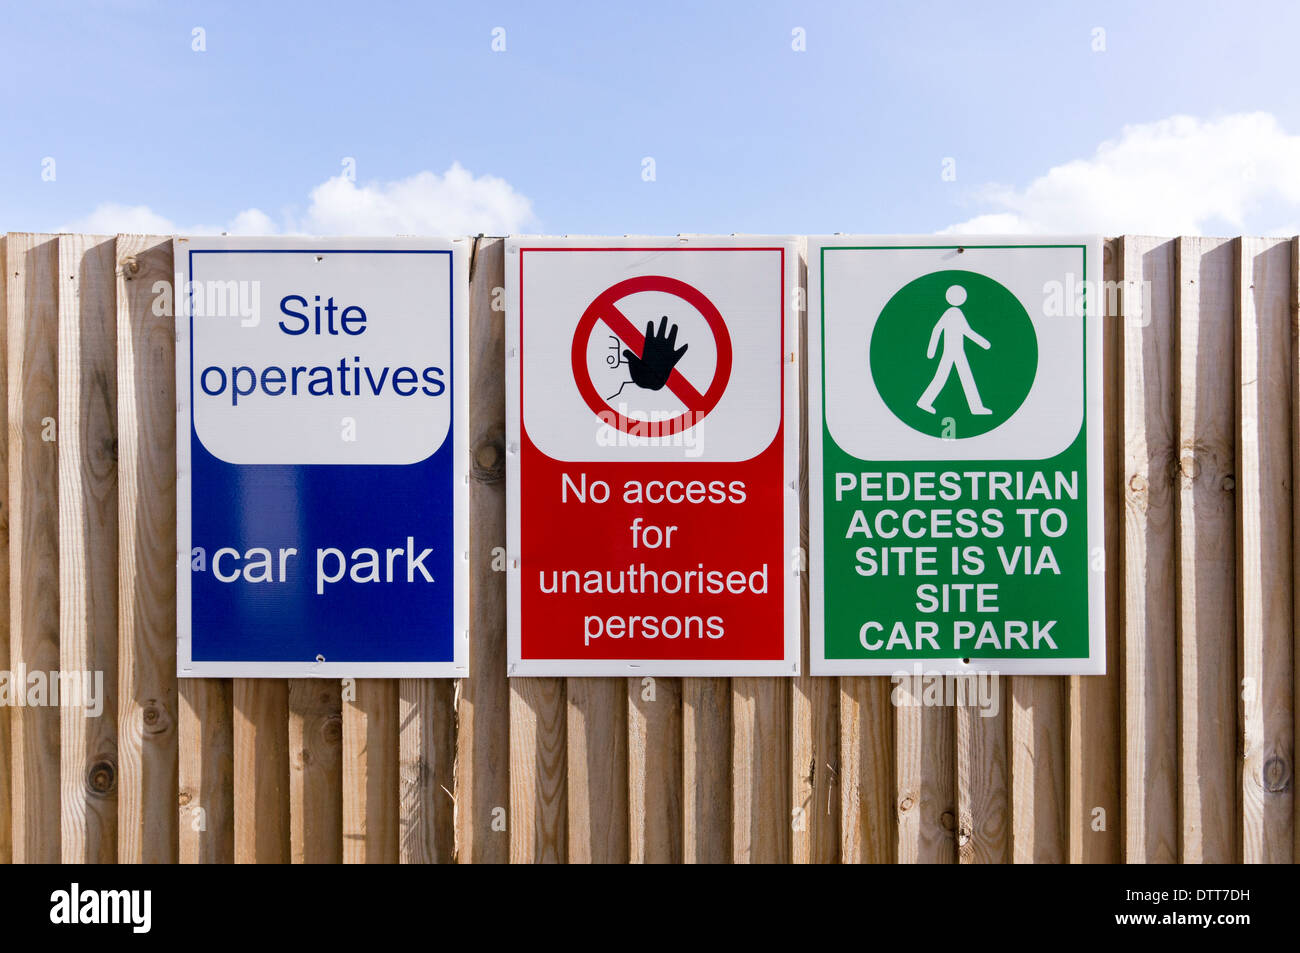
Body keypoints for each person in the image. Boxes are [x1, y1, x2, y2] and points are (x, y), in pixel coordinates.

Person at [917, 284, 992, 415]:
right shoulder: (952, 313)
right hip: (951, 352)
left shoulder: (955, 313)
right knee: (949, 377)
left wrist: (983, 342)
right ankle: (924, 402)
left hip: (957, 351)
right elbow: (938, 329)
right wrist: (931, 350)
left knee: (963, 377)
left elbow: (965, 331)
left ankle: (976, 407)